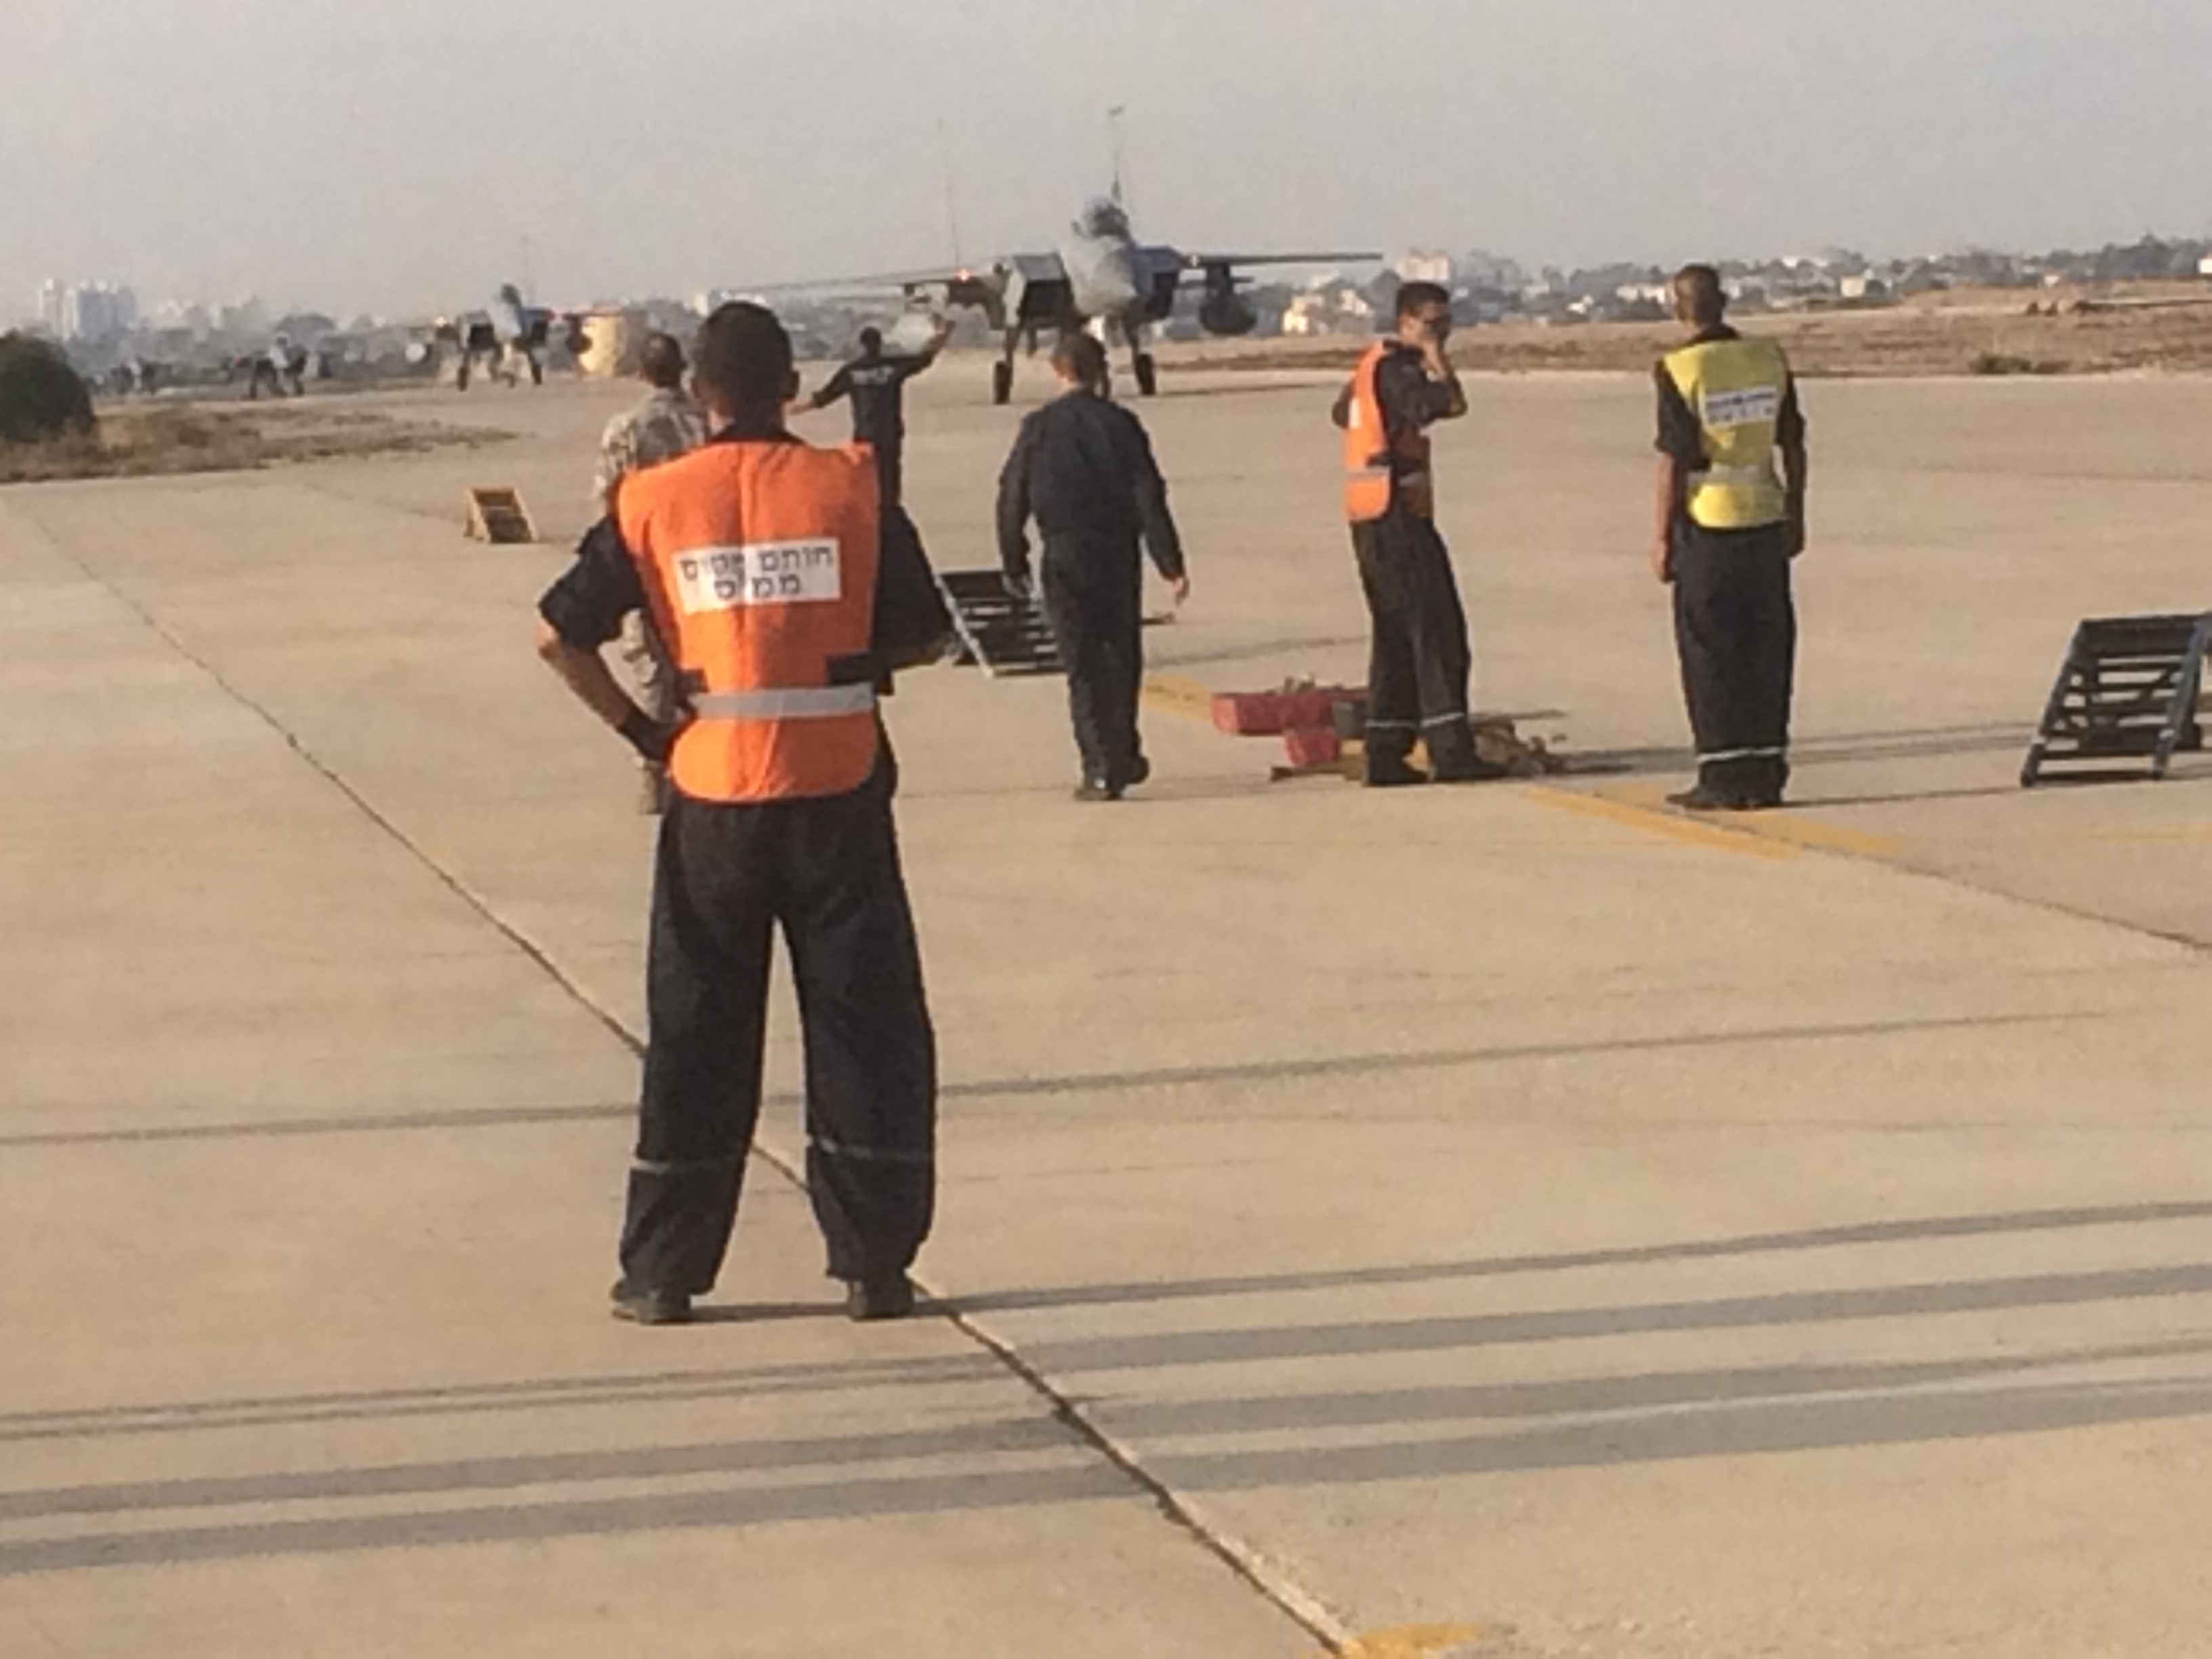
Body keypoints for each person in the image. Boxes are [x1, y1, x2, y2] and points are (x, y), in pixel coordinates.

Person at [535, 302, 949, 1328]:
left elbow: (558, 638)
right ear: (786, 386)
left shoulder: (651, 499)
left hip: (712, 792)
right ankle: (873, 1266)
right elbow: (922, 633)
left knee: (697, 1033)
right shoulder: (851, 483)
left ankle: (664, 1273)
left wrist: (648, 733)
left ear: (704, 394)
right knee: (865, 1030)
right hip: (838, 785)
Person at [996, 333, 1189, 802]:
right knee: (1121, 656)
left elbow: (1011, 495)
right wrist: (1169, 562)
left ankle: (1100, 765)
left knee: (1081, 664)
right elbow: (1148, 495)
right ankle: (1123, 750)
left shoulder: (1038, 427)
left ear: (1058, 371)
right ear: (1100, 369)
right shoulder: (1121, 424)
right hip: (1116, 554)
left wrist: (1013, 558)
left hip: (1062, 553)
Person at [1650, 264, 1809, 812]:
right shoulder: (1768, 359)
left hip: (1709, 524)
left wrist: (1661, 537)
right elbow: (1794, 443)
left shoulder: (1679, 368)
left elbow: (1672, 460)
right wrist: (1796, 511)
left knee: (1712, 653)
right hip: (1765, 520)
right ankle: (1766, 772)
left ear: (1679, 308)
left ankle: (1721, 772)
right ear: (1726, 302)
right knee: (1768, 650)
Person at [1332, 282, 1502, 787]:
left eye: (1445, 324)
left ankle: (1386, 749)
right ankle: (1450, 749)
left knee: (1396, 637)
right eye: (1431, 325)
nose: (1440, 333)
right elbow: (1446, 405)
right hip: (1396, 518)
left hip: (1370, 515)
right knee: (1438, 633)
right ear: (1404, 322)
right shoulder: (1400, 369)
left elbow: (1342, 413)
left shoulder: (1370, 365)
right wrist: (1437, 360)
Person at [593, 331, 711, 813]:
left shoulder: (628, 427)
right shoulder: (708, 420)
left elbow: (609, 498)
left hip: (651, 560)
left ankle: (656, 779)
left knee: (653, 674)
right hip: (707, 558)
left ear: (642, 372)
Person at [798, 318, 953, 507]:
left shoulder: (852, 371)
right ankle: (890, 513)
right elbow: (925, 357)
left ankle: (870, 512)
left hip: (864, 435)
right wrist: (944, 335)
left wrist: (792, 409)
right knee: (890, 482)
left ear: (862, 344)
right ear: (880, 343)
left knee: (866, 481)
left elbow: (823, 398)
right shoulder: (893, 367)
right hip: (890, 433)